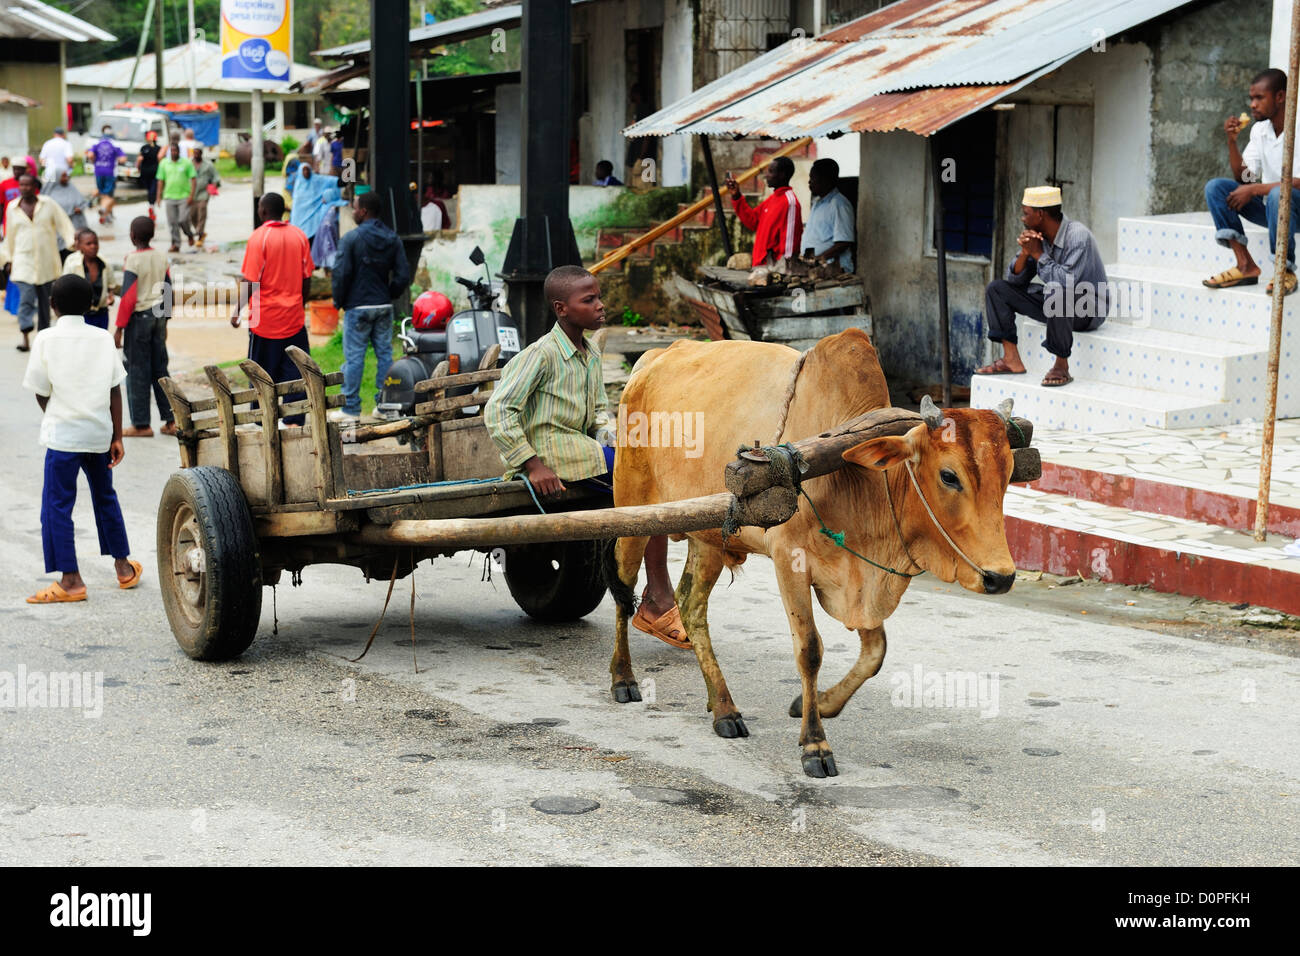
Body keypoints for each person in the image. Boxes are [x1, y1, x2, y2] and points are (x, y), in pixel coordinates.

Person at [484, 265, 687, 648]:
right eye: (588, 300)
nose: (600, 306)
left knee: (650, 465)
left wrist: (620, 442)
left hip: (584, 453)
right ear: (561, 308)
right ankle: (658, 598)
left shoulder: (591, 353)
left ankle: (660, 595)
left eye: (599, 297)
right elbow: (498, 411)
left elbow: (596, 415)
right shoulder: (541, 355)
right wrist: (533, 464)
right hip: (551, 458)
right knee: (648, 488)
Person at [22, 274, 143, 604]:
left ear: (52, 305)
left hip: (63, 436)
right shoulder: (103, 339)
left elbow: (40, 391)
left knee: (57, 506)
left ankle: (71, 580)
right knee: (105, 496)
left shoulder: (45, 339)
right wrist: (117, 435)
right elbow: (114, 389)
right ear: (92, 304)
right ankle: (123, 568)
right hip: (99, 433)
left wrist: (55, 412)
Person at [975, 186, 1109, 388]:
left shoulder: (1078, 237)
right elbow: (1015, 282)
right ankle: (1011, 359)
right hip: (1057, 305)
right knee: (997, 289)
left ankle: (1061, 365)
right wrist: (1025, 253)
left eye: (1025, 213)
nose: (1022, 218)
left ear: (1040, 214)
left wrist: (1038, 255)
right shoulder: (1039, 237)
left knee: (1057, 291)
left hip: (1087, 310)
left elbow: (1067, 282)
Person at [1203, 68, 1300, 296]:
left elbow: (1296, 183)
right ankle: (1245, 265)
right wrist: (1232, 142)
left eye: (1259, 98)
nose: (1253, 104)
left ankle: (1284, 271)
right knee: (1216, 188)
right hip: (1273, 211)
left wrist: (1255, 189)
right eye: (1251, 98)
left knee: (1278, 194)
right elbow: (1245, 178)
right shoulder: (1259, 130)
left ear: (1280, 96)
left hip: (1297, 209)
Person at [232, 192, 314, 426]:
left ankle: (262, 424)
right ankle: (295, 423)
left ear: (264, 211)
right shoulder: (299, 236)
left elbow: (250, 281)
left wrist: (237, 310)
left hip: (265, 323)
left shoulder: (259, 238)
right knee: (296, 373)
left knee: (262, 376)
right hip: (294, 321)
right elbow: (307, 278)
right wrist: (299, 304)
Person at [330, 191, 410, 423]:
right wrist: (389, 293)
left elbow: (341, 274)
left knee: (354, 359)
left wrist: (339, 301)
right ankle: (385, 407)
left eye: (354, 207)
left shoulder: (351, 238)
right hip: (383, 305)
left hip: (358, 307)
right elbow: (403, 275)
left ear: (363, 211)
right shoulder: (392, 238)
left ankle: (351, 410)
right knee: (385, 355)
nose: (353, 211)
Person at [114, 216, 175, 437]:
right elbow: (168, 288)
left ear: (132, 236)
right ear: (152, 235)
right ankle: (171, 421)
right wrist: (166, 320)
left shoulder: (132, 260)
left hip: (139, 319)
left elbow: (129, 297)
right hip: (159, 315)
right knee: (160, 368)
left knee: (137, 371)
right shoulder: (161, 256)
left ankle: (141, 424)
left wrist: (119, 327)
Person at [3, 173, 75, 351]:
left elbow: (63, 224)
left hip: (46, 261)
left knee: (46, 303)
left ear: (34, 186)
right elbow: (9, 235)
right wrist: (8, 258)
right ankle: (25, 335)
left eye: (27, 185)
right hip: (23, 260)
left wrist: (72, 242)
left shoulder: (47, 204)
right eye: (21, 185)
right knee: (26, 298)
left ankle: (43, 338)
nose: (24, 188)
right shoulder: (12, 208)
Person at [723, 156, 803, 267]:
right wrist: (736, 196)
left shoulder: (790, 203)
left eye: (771, 171)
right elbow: (752, 221)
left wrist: (779, 273)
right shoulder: (773, 199)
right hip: (760, 267)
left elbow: (790, 247)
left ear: (782, 175)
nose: (767, 175)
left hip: (773, 272)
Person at [803, 158, 855, 271]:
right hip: (816, 269)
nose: (809, 182)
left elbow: (844, 242)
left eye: (812, 178)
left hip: (834, 271)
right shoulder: (817, 204)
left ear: (825, 180)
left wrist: (819, 259)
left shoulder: (839, 204)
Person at [62, 228, 114, 330]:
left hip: (101, 314)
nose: (93, 246)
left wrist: (110, 297)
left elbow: (110, 286)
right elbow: (64, 289)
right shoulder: (72, 263)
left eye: (95, 243)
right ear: (80, 246)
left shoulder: (104, 263)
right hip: (79, 316)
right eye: (88, 244)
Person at [156, 142, 196, 252]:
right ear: (169, 152)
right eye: (172, 151)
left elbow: (193, 179)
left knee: (183, 219)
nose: (174, 153)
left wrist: (191, 195)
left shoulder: (186, 163)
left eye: (176, 151)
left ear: (179, 151)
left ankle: (189, 234)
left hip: (184, 196)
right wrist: (158, 196)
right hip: (169, 196)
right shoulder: (164, 163)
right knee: (172, 222)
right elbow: (160, 180)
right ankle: (176, 244)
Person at [289, 163, 341, 241]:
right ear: (300, 172)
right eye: (304, 170)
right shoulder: (298, 184)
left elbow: (333, 181)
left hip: (313, 220)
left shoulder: (316, 180)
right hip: (298, 221)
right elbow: (296, 208)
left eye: (307, 169)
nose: (306, 172)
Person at [88, 125, 125, 225]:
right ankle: (104, 210)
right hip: (110, 172)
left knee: (103, 193)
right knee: (109, 195)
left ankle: (105, 213)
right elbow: (123, 159)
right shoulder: (115, 144)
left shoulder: (97, 143)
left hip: (98, 171)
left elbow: (90, 155)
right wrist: (116, 160)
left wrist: (94, 161)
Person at [44, 170, 89, 245]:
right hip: (57, 228)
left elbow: (82, 202)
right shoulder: (49, 192)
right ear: (57, 177)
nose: (66, 178)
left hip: (74, 224)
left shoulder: (71, 188)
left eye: (67, 176)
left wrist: (80, 208)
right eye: (63, 176)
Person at [188, 147, 220, 247]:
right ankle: (200, 232)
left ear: (201, 154)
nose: (196, 155)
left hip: (203, 193)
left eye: (198, 153)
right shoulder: (188, 164)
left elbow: (215, 176)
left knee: (202, 211)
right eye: (195, 153)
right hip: (191, 193)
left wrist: (214, 186)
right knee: (192, 215)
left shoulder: (208, 165)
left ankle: (199, 232)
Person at [137, 129, 161, 221]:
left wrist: (138, 168)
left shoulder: (144, 148)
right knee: (153, 190)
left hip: (145, 172)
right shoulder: (159, 148)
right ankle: (152, 206)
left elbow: (139, 159)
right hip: (155, 172)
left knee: (149, 190)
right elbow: (160, 159)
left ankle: (151, 205)